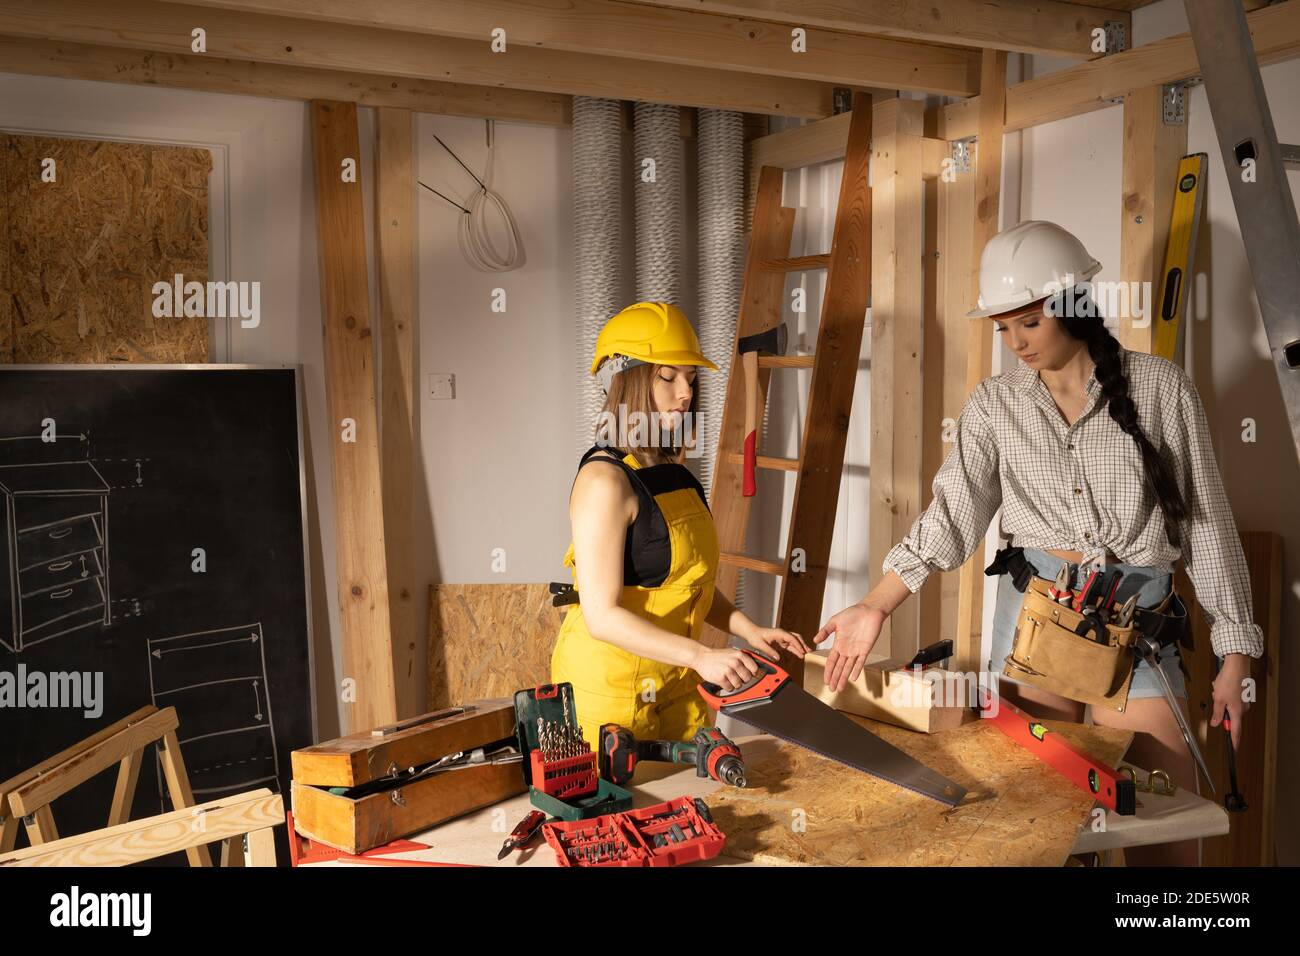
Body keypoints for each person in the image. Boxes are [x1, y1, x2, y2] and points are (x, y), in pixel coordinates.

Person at [815, 221, 1264, 866]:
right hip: (1034, 623)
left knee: (1165, 831)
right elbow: (953, 515)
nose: (1014, 342)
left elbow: (1208, 527)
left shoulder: (1163, 389)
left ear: (1073, 303)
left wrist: (1235, 651)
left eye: (1028, 321)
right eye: (1002, 327)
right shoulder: (996, 406)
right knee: (1037, 829)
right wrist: (876, 605)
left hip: (1138, 624)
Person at [551, 301, 809, 754]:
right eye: (667, 377)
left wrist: (748, 629)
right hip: (608, 696)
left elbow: (690, 586)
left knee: (688, 816)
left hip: (673, 685)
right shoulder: (603, 482)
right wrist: (703, 656)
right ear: (626, 379)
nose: (685, 392)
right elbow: (602, 615)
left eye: (690, 378)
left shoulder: (674, 471)